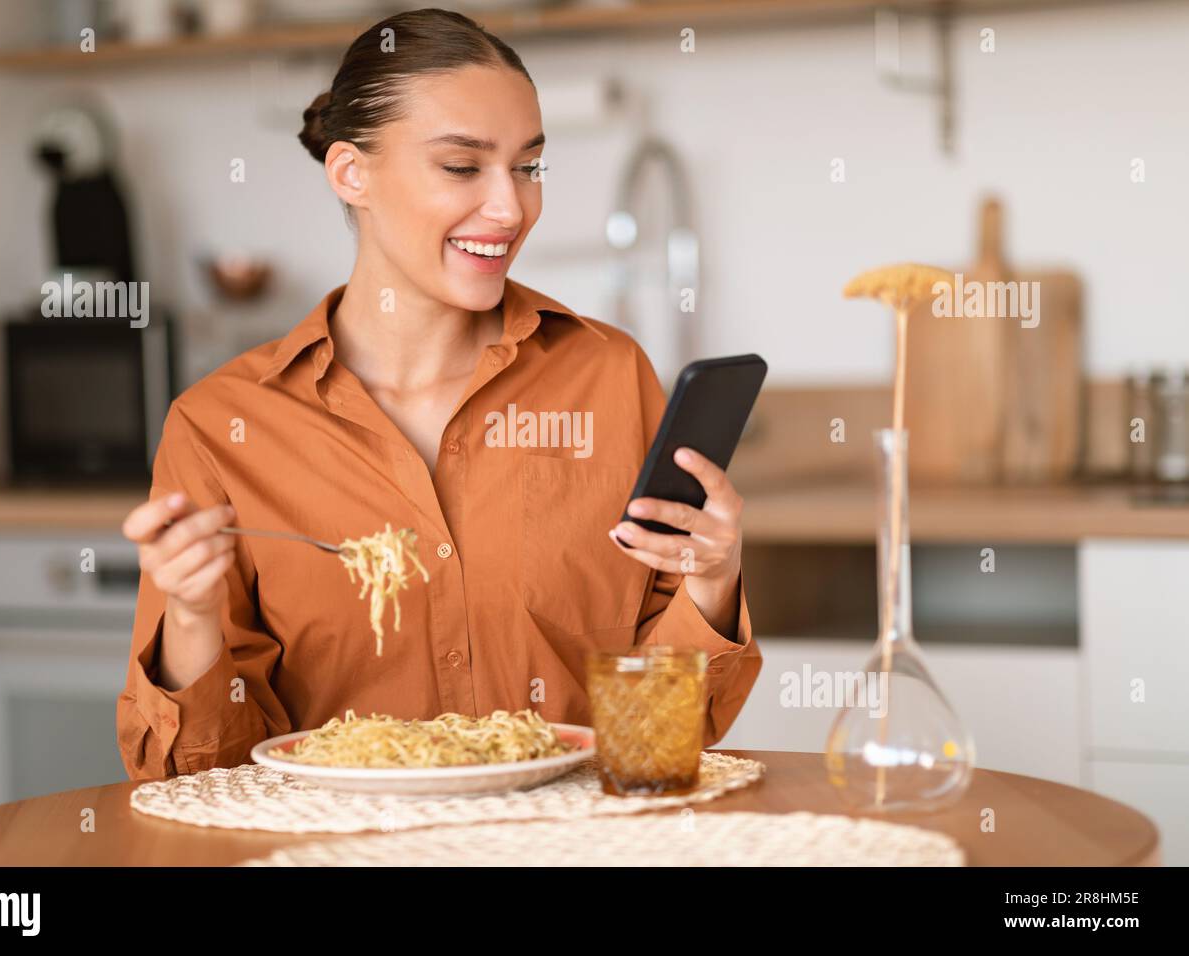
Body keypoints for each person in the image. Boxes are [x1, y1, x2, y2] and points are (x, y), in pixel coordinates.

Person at [117, 7, 761, 781]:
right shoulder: (223, 427)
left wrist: (712, 582)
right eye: (463, 168)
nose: (510, 207)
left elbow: (668, 734)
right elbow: (199, 788)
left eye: (528, 167)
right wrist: (190, 620)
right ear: (352, 173)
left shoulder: (608, 376)